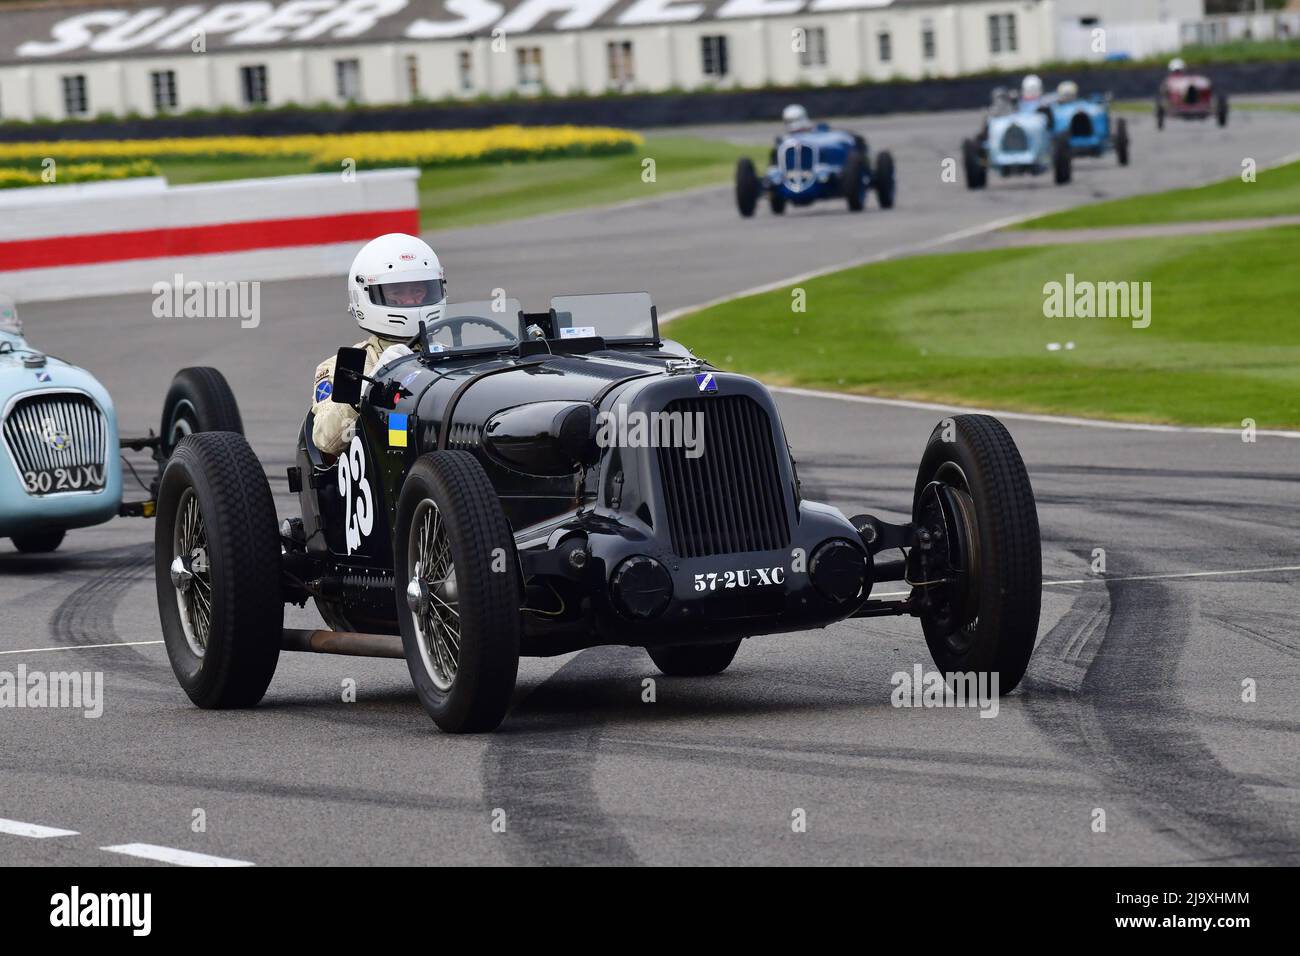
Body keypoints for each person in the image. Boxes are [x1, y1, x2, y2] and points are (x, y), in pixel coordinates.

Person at [311, 233, 445, 455]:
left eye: (418, 291)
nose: (411, 301)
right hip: (391, 468)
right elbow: (325, 439)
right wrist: (371, 384)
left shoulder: (451, 357)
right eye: (397, 293)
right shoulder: (347, 366)